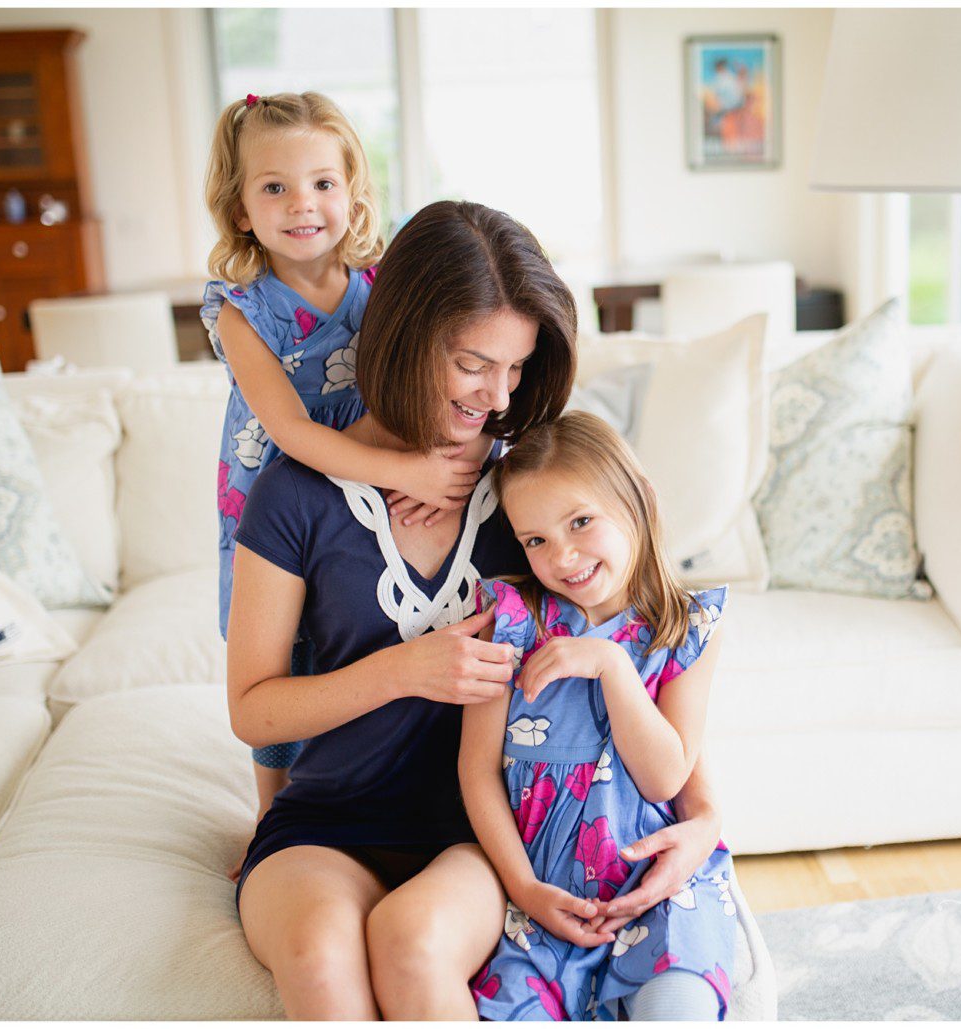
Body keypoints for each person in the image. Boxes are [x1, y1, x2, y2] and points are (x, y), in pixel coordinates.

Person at [225, 200, 728, 1020]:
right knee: (321, 958)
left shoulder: (527, 495)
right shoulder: (296, 496)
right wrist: (405, 669)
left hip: (479, 838)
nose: (497, 397)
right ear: (407, 335)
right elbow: (252, 710)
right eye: (472, 363)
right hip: (323, 825)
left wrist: (704, 820)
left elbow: (645, 643)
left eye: (517, 368)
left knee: (415, 944)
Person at [202, 92, 480, 818]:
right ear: (240, 208)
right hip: (284, 496)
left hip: (373, 486)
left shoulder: (380, 287)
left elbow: (429, 378)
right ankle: (273, 805)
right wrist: (406, 471)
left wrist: (432, 459)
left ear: (353, 196)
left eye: (323, 183)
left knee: (354, 626)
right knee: (283, 650)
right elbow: (292, 433)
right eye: (274, 187)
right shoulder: (243, 312)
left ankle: (373, 777)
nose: (303, 204)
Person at [460, 412, 735, 1021]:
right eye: (535, 540)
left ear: (635, 502)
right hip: (543, 900)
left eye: (581, 521)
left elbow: (666, 778)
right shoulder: (508, 620)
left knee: (678, 1009)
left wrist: (612, 664)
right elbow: (477, 771)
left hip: (660, 898)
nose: (562, 555)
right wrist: (524, 890)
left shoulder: (684, 629)